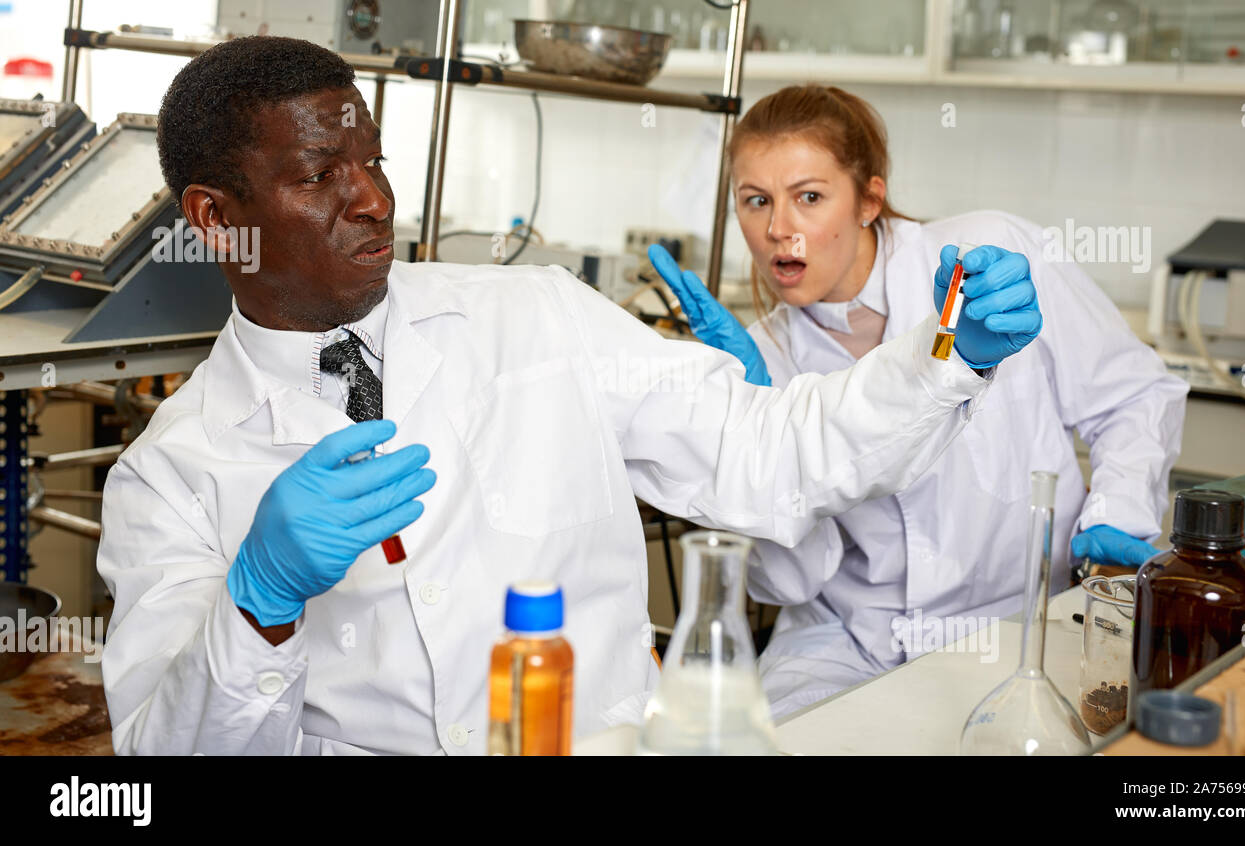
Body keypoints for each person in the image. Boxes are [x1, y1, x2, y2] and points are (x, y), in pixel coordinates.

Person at [96, 39, 1043, 756]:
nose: (374, 200)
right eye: (318, 176)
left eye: (374, 162)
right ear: (216, 218)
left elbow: (770, 450)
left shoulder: (537, 314)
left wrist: (945, 361)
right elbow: (166, 752)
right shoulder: (171, 474)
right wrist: (258, 607)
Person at [649, 84, 1187, 718]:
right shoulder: (759, 356)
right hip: (849, 638)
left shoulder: (988, 265)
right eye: (756, 200)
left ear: (869, 200)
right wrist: (755, 435)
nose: (777, 230)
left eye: (809, 197)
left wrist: (1117, 511)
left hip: (1020, 622)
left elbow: (1133, 394)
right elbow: (793, 578)